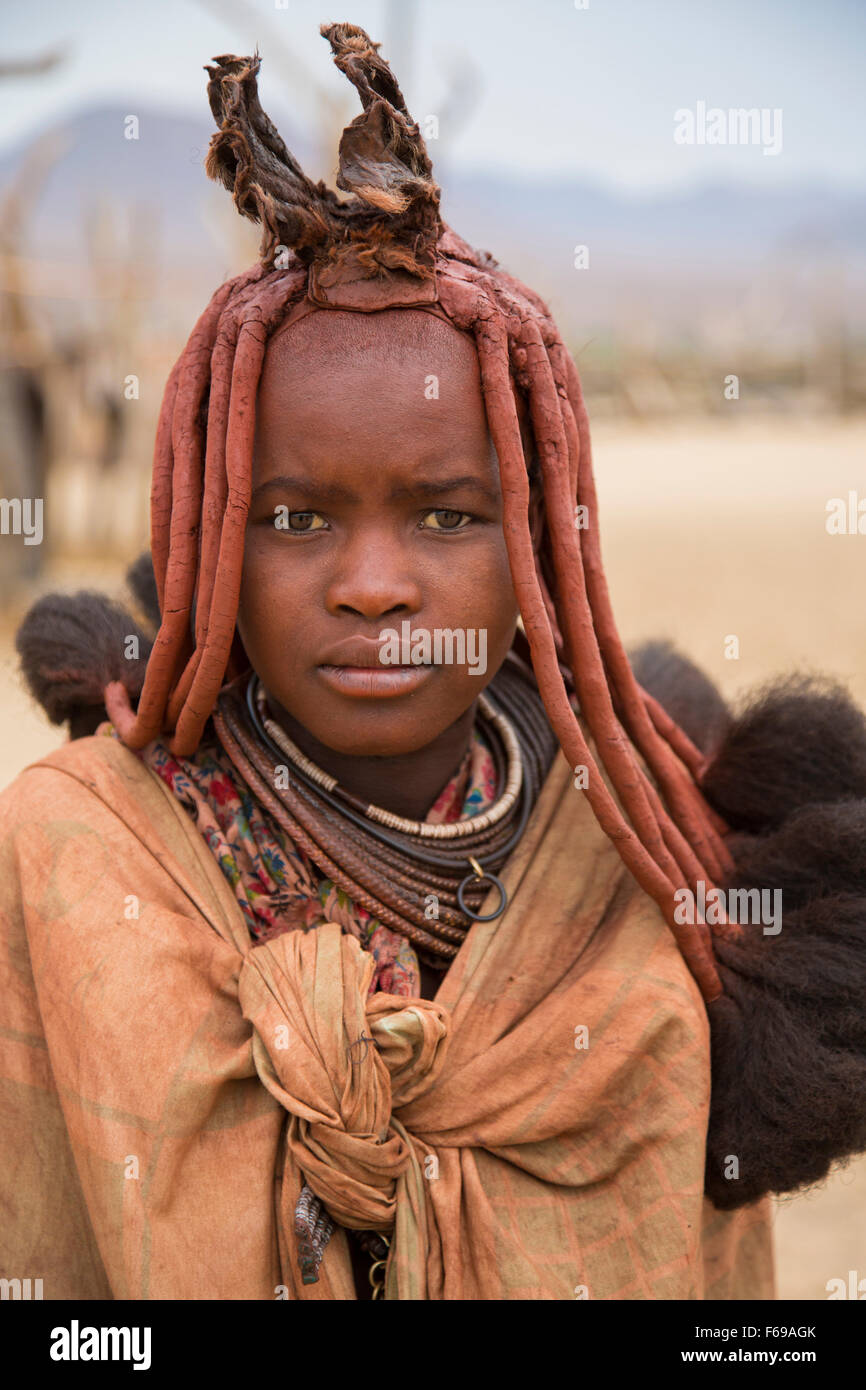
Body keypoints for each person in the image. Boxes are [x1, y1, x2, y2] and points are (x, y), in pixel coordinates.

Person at [2, 22, 865, 1301]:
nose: (370, 582)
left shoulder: (638, 864)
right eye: (295, 519)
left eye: (449, 515)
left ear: (538, 548)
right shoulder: (80, 856)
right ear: (208, 544)